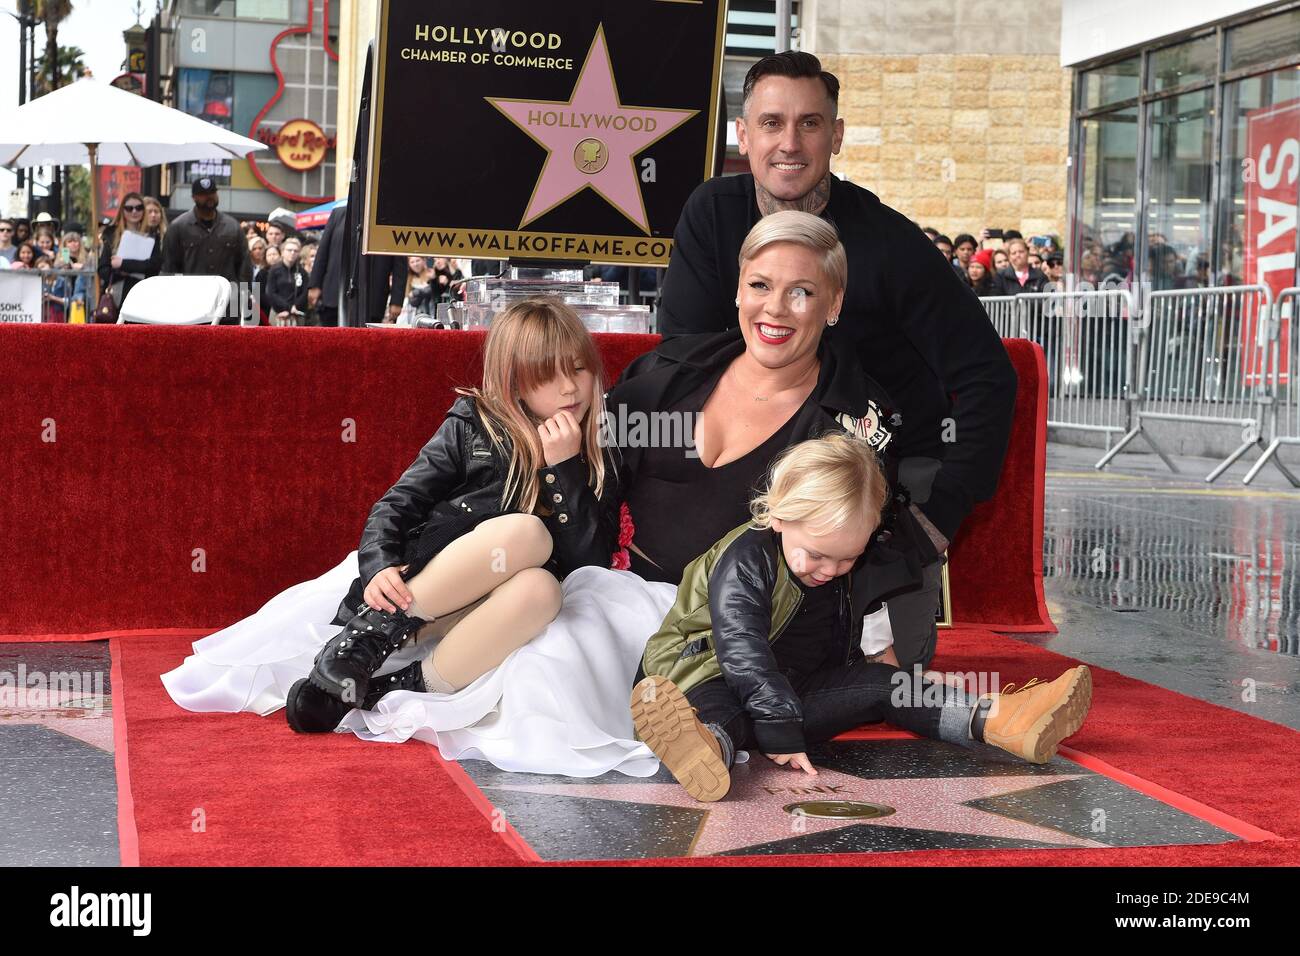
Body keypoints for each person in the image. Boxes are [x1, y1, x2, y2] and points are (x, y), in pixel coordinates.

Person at [655, 51, 1017, 668]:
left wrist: (939, 511)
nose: (789, 143)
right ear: (744, 135)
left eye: (810, 123)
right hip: (756, 457)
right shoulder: (712, 214)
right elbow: (682, 362)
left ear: (837, 135)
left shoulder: (891, 242)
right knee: (725, 650)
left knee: (881, 668)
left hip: (879, 476)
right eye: (770, 123)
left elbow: (988, 375)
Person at [163, 299, 625, 756]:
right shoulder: (476, 424)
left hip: (491, 618)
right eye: (549, 375)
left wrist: (564, 469)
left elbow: (590, 564)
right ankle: (365, 641)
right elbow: (400, 501)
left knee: (545, 589)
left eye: (580, 369)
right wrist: (378, 563)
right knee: (528, 533)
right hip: (429, 593)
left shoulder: (600, 450)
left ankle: (388, 689)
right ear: (515, 385)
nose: (570, 388)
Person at [631, 434, 1093, 801]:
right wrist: (778, 728)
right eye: (816, 555)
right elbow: (742, 649)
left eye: (846, 559)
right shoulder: (746, 557)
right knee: (721, 705)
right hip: (705, 673)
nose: (830, 570)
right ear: (778, 516)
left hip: (790, 690)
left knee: (886, 683)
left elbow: (868, 636)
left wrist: (892, 689)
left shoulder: (844, 561)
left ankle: (1000, 720)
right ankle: (704, 747)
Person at [159, 177, 253, 325]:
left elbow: (244, 266)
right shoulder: (178, 227)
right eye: (203, 194)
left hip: (227, 306)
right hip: (192, 305)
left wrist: (240, 300)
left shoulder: (233, 226)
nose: (209, 197)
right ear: (194, 197)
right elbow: (169, 268)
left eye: (212, 192)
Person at [97, 192, 163, 318]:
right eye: (129, 208)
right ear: (123, 210)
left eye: (139, 207)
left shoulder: (153, 236)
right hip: (116, 297)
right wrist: (120, 272)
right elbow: (103, 269)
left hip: (143, 296)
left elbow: (154, 266)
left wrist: (123, 264)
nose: (134, 211)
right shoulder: (111, 234)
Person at [307, 205, 345, 327]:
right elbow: (322, 251)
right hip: (333, 294)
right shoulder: (338, 214)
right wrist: (315, 284)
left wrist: (396, 300)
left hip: (368, 295)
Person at [263, 235, 309, 324]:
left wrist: (295, 307)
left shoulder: (302, 272)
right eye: (289, 250)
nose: (292, 253)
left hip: (296, 312)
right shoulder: (274, 270)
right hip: (278, 312)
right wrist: (287, 308)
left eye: (295, 251)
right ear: (282, 252)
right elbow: (271, 293)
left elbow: (305, 292)